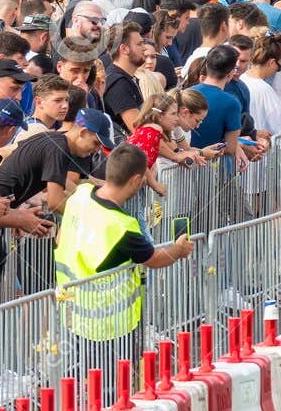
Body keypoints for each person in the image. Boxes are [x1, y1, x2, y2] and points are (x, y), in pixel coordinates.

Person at [53, 144, 194, 358]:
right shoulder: (122, 226)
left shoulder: (80, 195)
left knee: (83, 378)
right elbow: (154, 259)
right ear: (136, 180)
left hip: (71, 312)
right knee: (113, 385)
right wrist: (179, 249)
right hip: (107, 325)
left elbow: (60, 237)